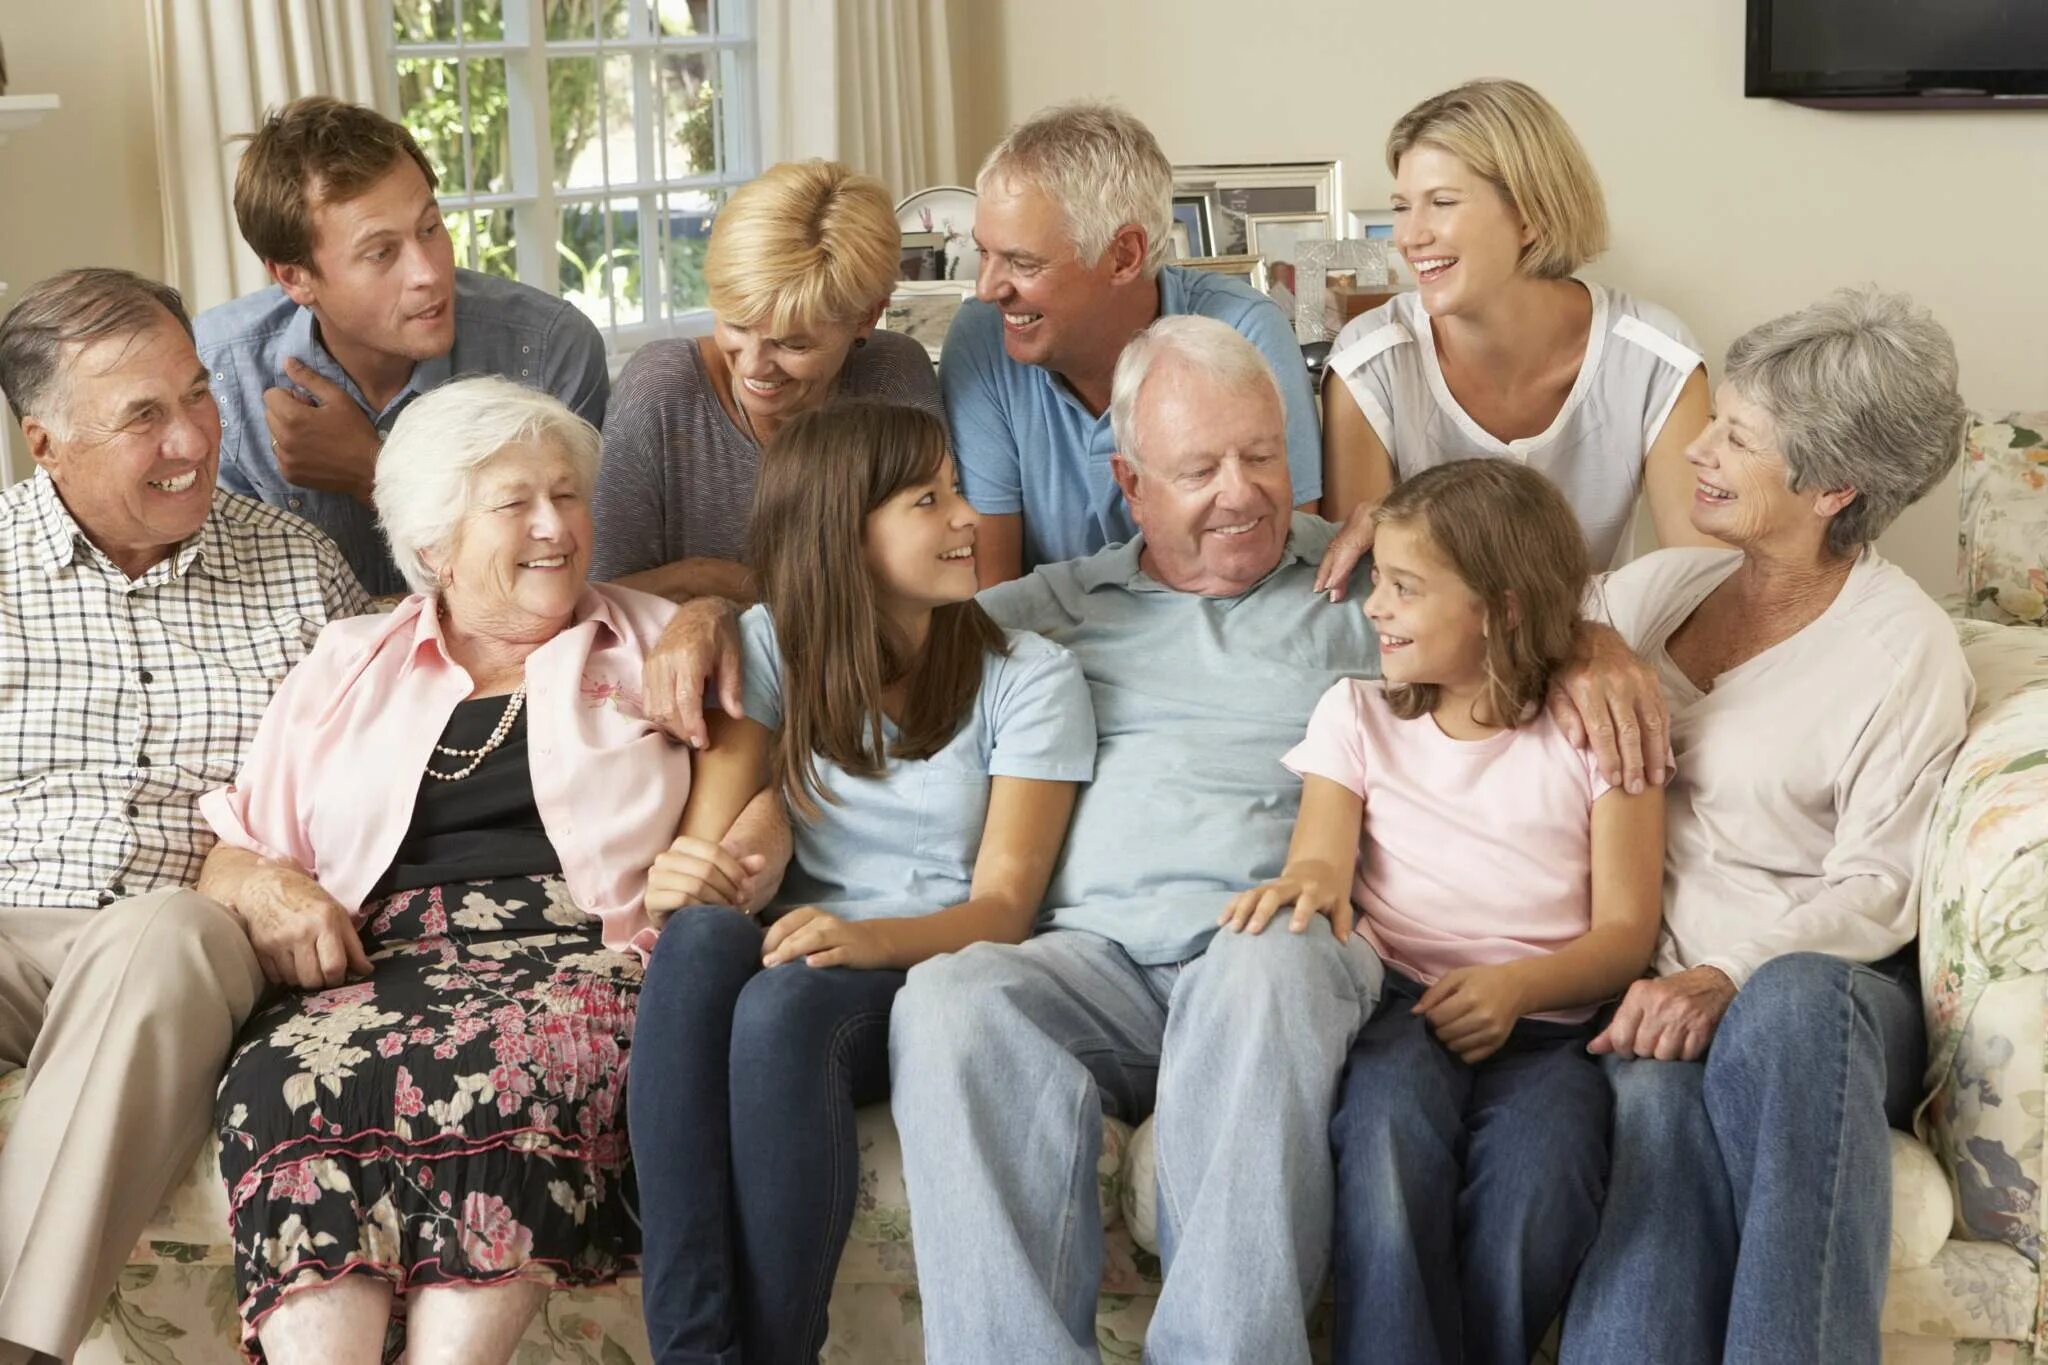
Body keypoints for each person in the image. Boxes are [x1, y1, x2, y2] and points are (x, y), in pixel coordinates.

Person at [195, 378, 771, 1363]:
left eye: (568, 495)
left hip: (576, 965)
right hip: (372, 968)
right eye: (514, 504)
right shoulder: (345, 663)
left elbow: (769, 727)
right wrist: (265, 885)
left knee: (511, 1075)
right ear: (434, 545)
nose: (555, 526)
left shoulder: (653, 641)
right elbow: (236, 846)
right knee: (282, 1084)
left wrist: (713, 606)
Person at [626, 400, 1095, 1363]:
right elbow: (709, 855)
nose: (967, 517)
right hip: (799, 945)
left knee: (783, 1009)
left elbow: (1006, 907)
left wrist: (865, 939)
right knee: (702, 938)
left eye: (957, 489)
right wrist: (712, 863)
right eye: (929, 500)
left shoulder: (1032, 676)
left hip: (928, 969)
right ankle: (691, 1349)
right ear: (846, 533)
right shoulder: (769, 645)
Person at [1558, 288, 1975, 1365]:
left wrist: (1726, 974)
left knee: (1783, 1008)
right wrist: (1593, 647)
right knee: (1650, 1101)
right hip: (1657, 992)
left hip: (1826, 996)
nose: (1695, 449)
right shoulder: (1659, 591)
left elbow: (1878, 888)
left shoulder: (1897, 652)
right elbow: (1540, 625)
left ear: (1831, 486)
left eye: (1735, 438)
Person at [0, 268, 368, 1365]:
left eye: (197, 395)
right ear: (45, 444)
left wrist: (242, 867)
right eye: (142, 417)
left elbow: (385, 783)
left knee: (160, 933)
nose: (193, 439)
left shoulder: (297, 569)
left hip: (185, 938)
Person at [1225, 458, 1664, 1365]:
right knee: (1384, 1145)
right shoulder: (1357, 716)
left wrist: (1514, 989)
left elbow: (1627, 934)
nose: (1374, 606)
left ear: (1501, 608)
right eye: (1377, 581)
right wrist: (1303, 883)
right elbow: (1320, 853)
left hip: (1550, 1029)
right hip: (1402, 1008)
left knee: (1543, 1186)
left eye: (1404, 588)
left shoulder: (1594, 734)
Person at [194, 96, 610, 596]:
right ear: (294, 277)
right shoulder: (219, 371)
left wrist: (372, 468)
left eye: (430, 229)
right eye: (381, 253)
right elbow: (239, 602)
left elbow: (572, 580)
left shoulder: (547, 350)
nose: (428, 273)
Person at [1316, 79, 1714, 593]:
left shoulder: (1657, 360)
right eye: (1401, 206)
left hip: (1602, 651)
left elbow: (1705, 584)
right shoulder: (1370, 364)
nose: (1410, 236)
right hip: (1432, 663)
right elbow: (1363, 594)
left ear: (1530, 215)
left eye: (1441, 202)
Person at [944, 101, 1322, 582]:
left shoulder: (1245, 332)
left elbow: (1288, 568)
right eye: (984, 252)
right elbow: (994, 600)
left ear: (1123, 256)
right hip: (1043, 645)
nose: (987, 288)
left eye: (1023, 263)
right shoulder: (980, 341)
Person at [590, 161, 943, 602]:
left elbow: (933, 570)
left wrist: (724, 588)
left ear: (867, 316)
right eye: (736, 326)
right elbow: (596, 599)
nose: (754, 366)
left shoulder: (894, 375)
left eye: (792, 345)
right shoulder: (662, 390)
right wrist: (702, 577)